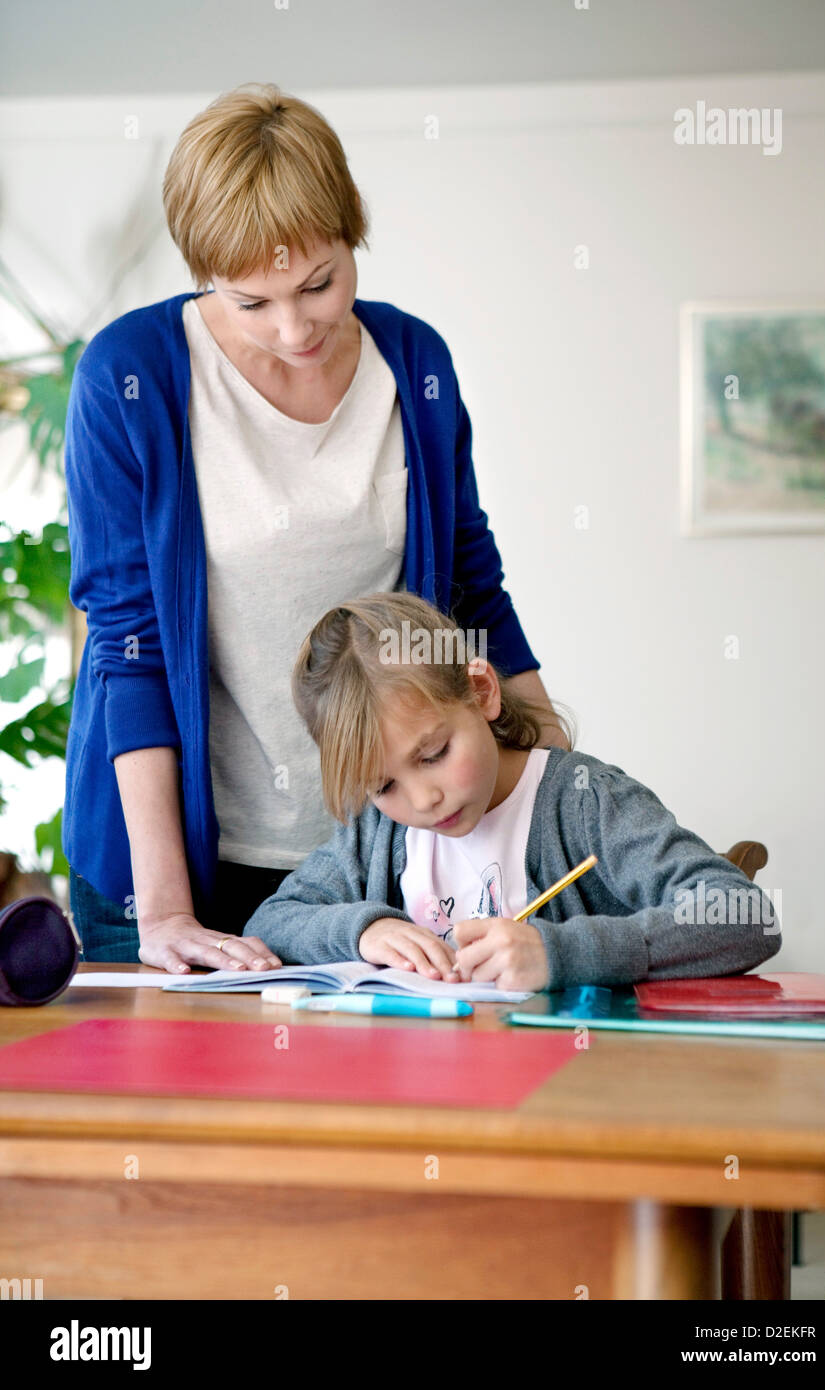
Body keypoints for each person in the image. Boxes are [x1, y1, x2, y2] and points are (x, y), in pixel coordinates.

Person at [61, 83, 566, 972]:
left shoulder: (414, 364)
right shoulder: (129, 376)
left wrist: (566, 788)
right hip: (170, 866)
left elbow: (472, 592)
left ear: (351, 231)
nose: (294, 328)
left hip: (382, 856)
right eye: (251, 302)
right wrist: (166, 911)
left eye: (319, 285)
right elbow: (128, 646)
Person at [243, 592, 782, 991]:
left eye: (433, 755)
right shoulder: (379, 832)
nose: (422, 801)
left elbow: (742, 915)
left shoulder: (584, 801)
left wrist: (562, 953)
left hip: (573, 1085)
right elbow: (272, 919)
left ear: (481, 692)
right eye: (383, 784)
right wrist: (364, 930)